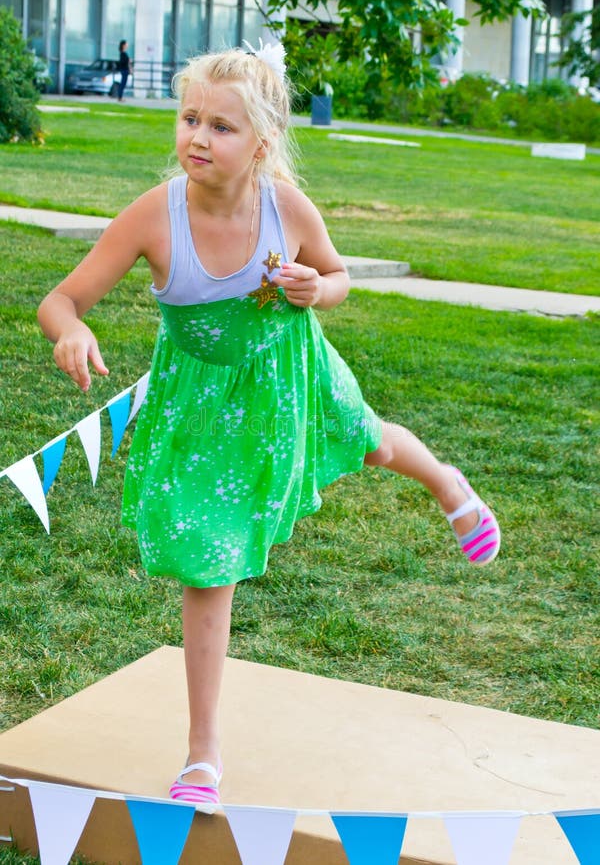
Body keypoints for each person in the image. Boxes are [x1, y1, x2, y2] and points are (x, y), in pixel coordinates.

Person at [37, 42, 500, 812]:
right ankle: (203, 755)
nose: (196, 138)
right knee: (208, 565)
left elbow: (340, 277)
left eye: (220, 126)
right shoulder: (156, 215)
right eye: (189, 119)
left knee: (374, 441)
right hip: (202, 405)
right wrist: (71, 333)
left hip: (291, 371)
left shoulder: (286, 206)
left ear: (262, 141)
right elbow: (62, 298)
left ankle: (449, 485)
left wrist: (317, 289)